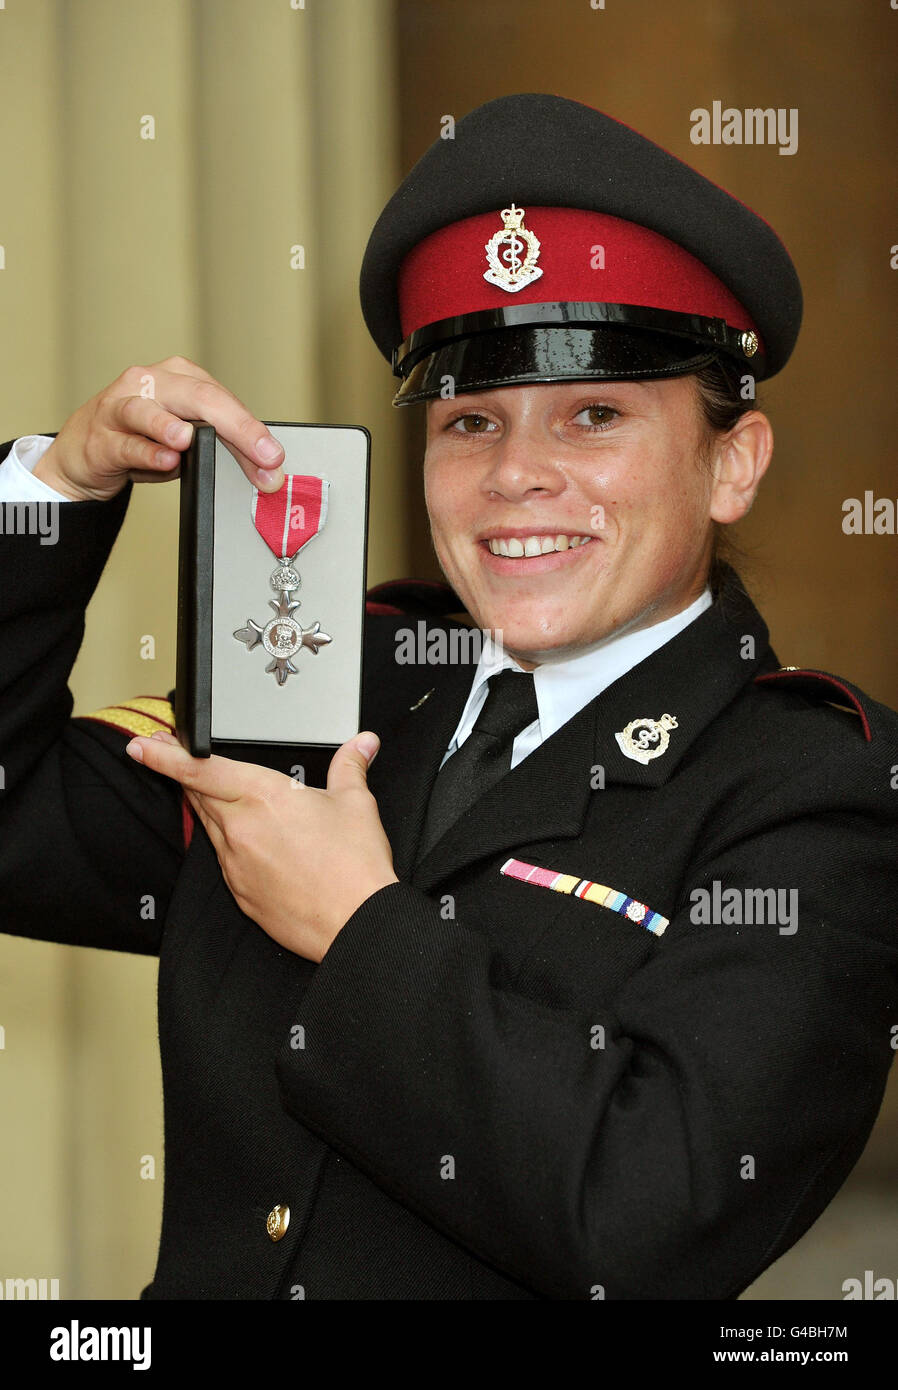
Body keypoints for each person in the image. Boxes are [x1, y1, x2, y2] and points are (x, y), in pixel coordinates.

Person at [1, 93, 896, 1301]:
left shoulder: (818, 789)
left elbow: (649, 1213)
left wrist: (356, 926)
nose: (517, 475)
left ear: (731, 462)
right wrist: (53, 490)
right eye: (469, 419)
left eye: (594, 415)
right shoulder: (330, 677)